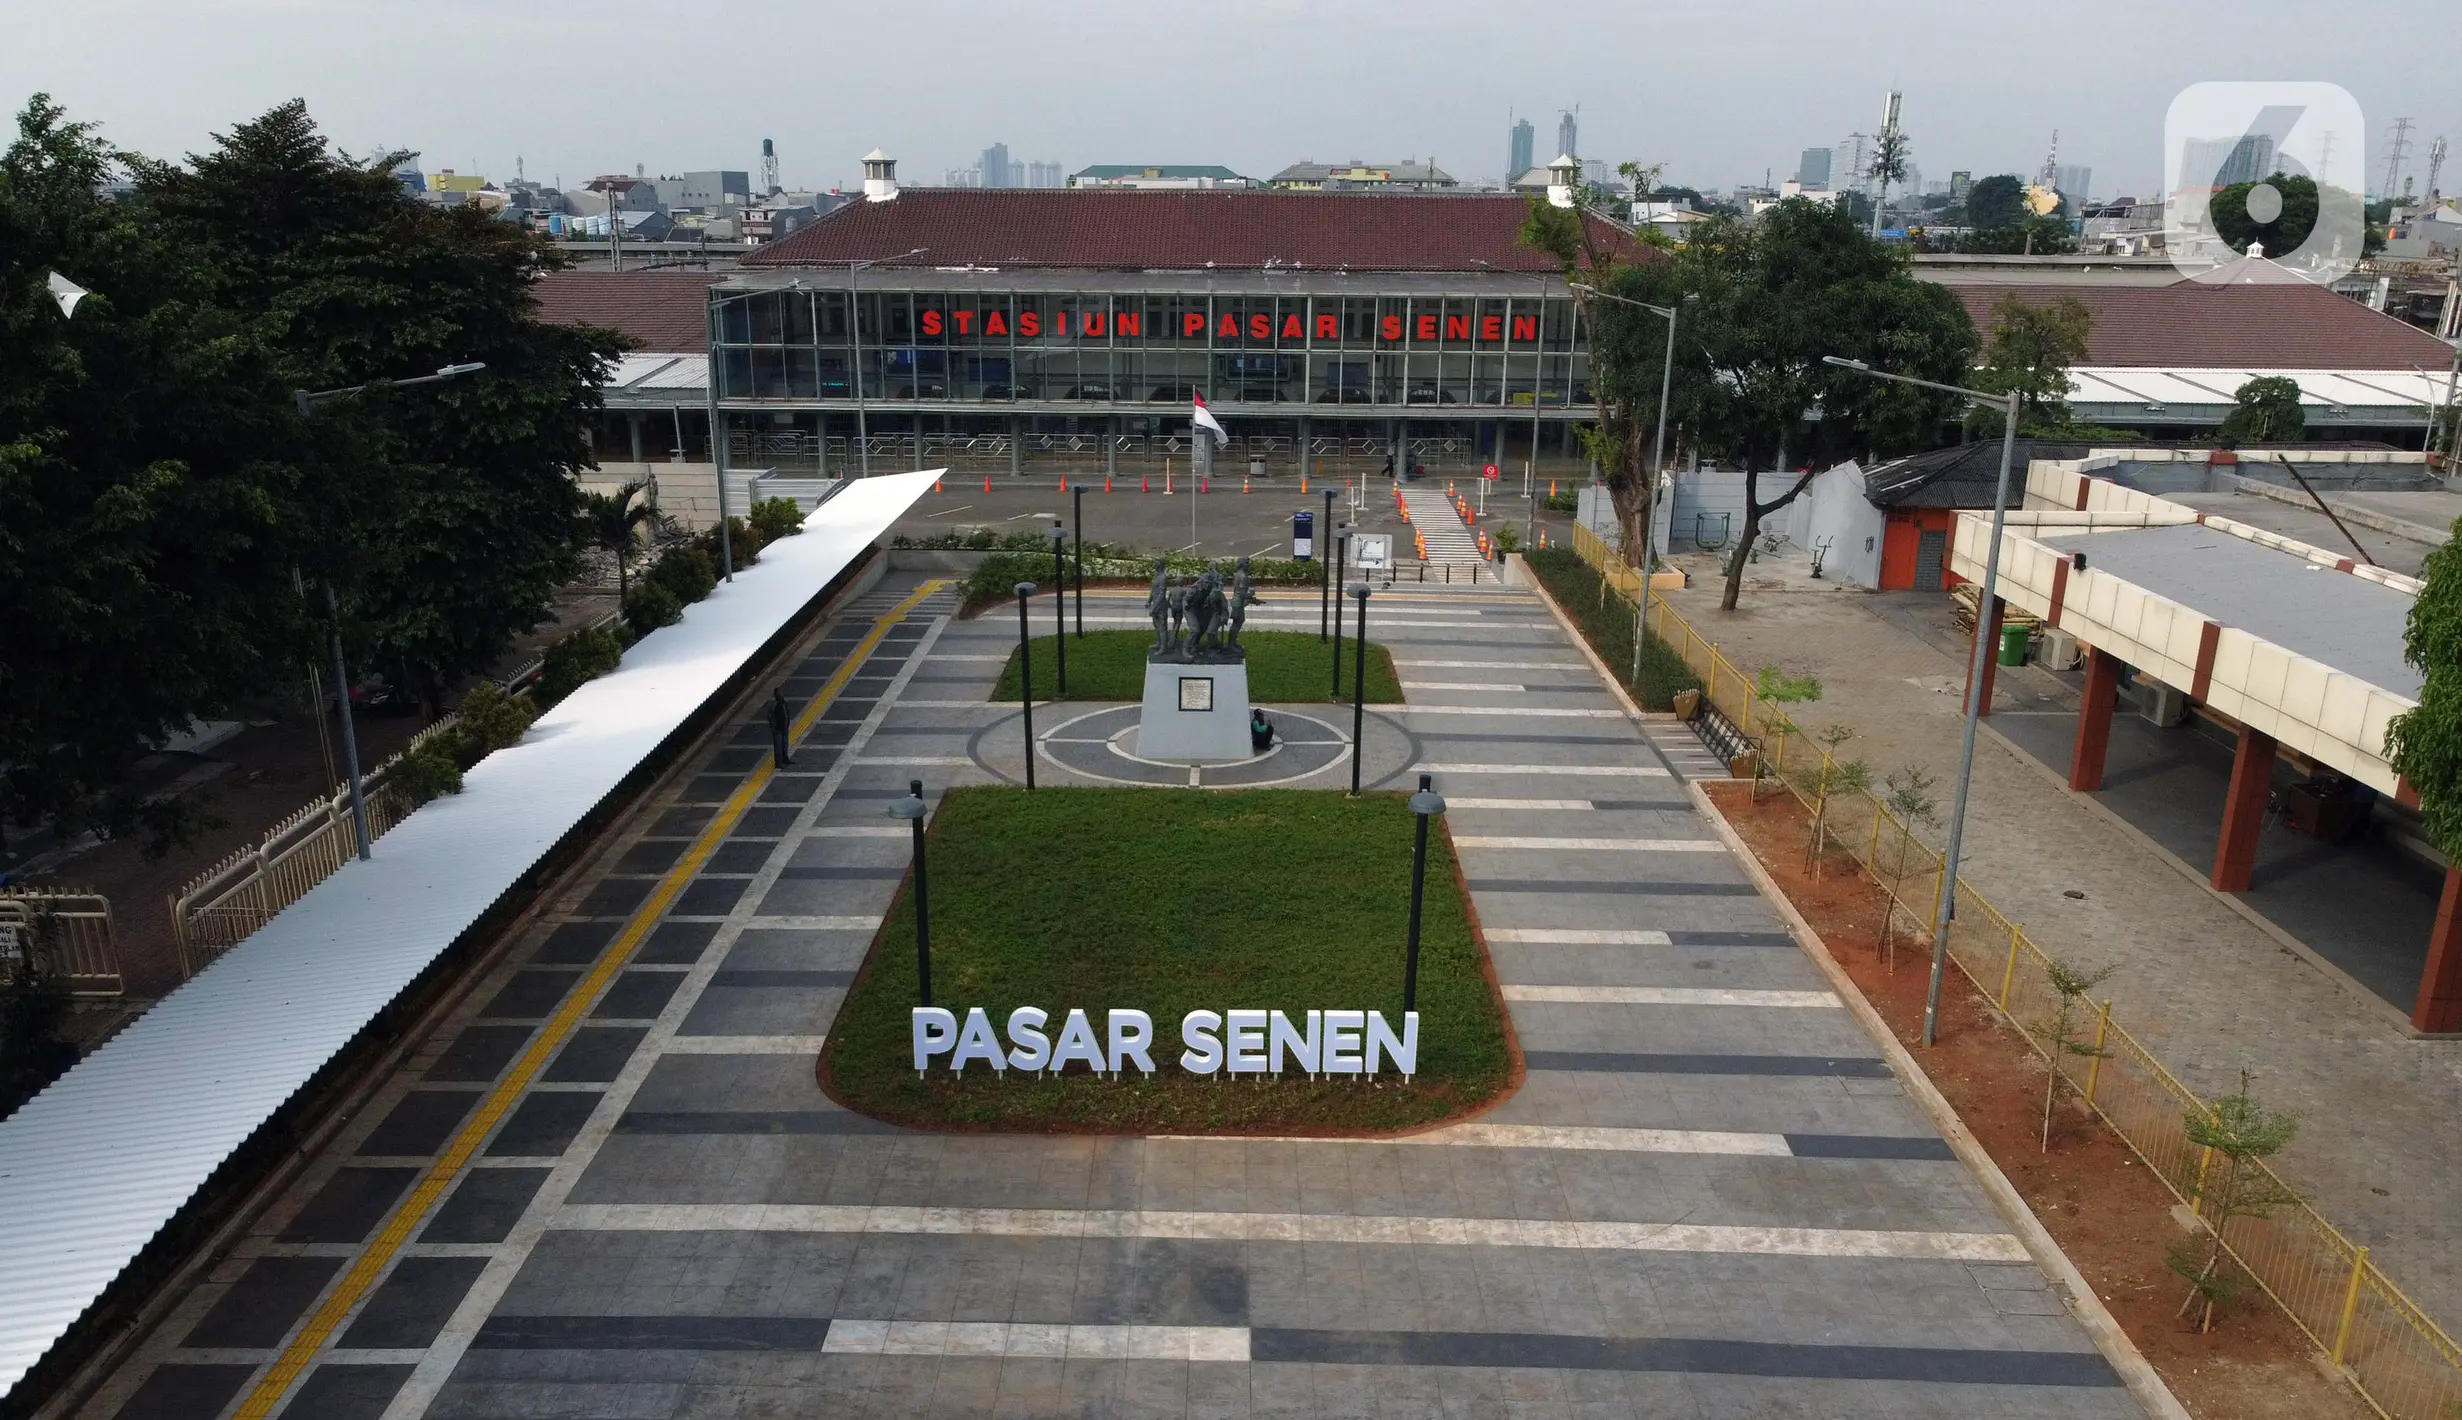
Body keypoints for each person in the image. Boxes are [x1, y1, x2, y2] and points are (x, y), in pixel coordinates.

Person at [768, 687, 794, 768]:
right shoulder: (774, 705)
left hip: (784, 728)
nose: (781, 694)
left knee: (785, 744)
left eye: (781, 693)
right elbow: (770, 717)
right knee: (778, 746)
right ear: (775, 695)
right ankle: (778, 763)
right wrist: (773, 727)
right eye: (779, 693)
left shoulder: (784, 703)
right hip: (778, 729)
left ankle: (785, 759)